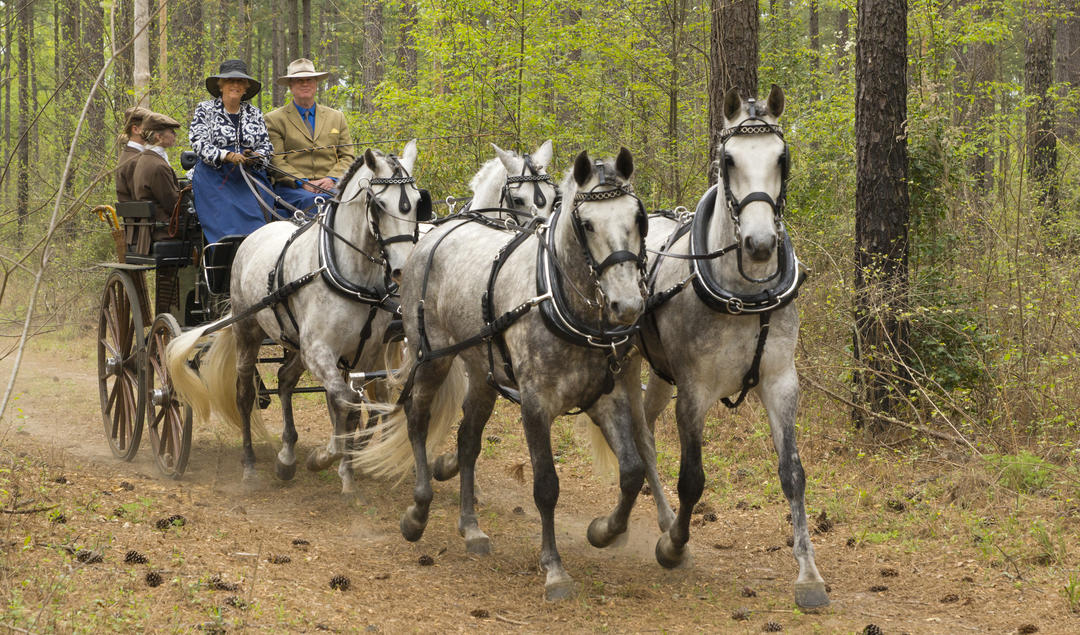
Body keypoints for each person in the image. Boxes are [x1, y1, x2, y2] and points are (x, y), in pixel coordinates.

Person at [188, 59, 275, 243]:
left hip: (249, 175)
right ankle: (224, 256)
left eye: (240, 82)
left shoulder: (255, 113)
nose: (235, 85)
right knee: (226, 213)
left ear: (245, 88)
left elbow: (267, 146)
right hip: (214, 175)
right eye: (230, 81)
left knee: (260, 213)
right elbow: (198, 142)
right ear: (221, 86)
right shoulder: (205, 109)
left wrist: (257, 157)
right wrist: (226, 155)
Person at [263, 58, 354, 212]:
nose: (305, 84)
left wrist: (331, 178)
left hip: (333, 185)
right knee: (316, 202)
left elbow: (348, 156)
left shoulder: (336, 117)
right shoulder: (274, 119)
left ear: (316, 84)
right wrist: (303, 182)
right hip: (293, 189)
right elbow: (276, 161)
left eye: (309, 80)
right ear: (291, 86)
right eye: (299, 80)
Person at [131, 112, 183, 240]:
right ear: (159, 137)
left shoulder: (144, 158)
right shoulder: (158, 166)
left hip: (152, 227)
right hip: (164, 229)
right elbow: (173, 204)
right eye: (171, 132)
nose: (175, 135)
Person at [116, 106, 153, 202]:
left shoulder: (131, 155)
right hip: (146, 216)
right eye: (150, 127)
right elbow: (142, 199)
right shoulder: (135, 161)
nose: (154, 131)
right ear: (136, 130)